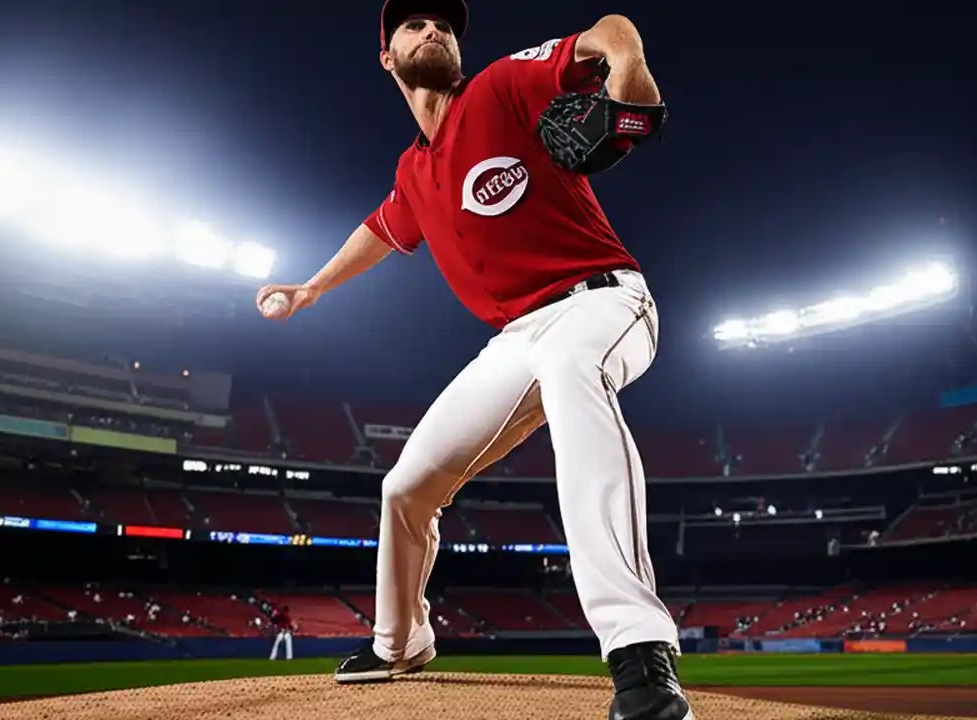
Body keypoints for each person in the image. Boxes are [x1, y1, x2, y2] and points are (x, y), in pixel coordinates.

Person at [255, 1, 689, 717]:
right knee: (406, 487)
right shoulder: (415, 170)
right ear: (388, 59)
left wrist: (628, 77)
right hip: (518, 338)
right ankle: (401, 641)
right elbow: (382, 229)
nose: (434, 30)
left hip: (603, 302)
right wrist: (310, 289)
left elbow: (611, 33)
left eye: (445, 25)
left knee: (574, 373)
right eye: (414, 25)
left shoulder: (499, 88)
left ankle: (639, 648)